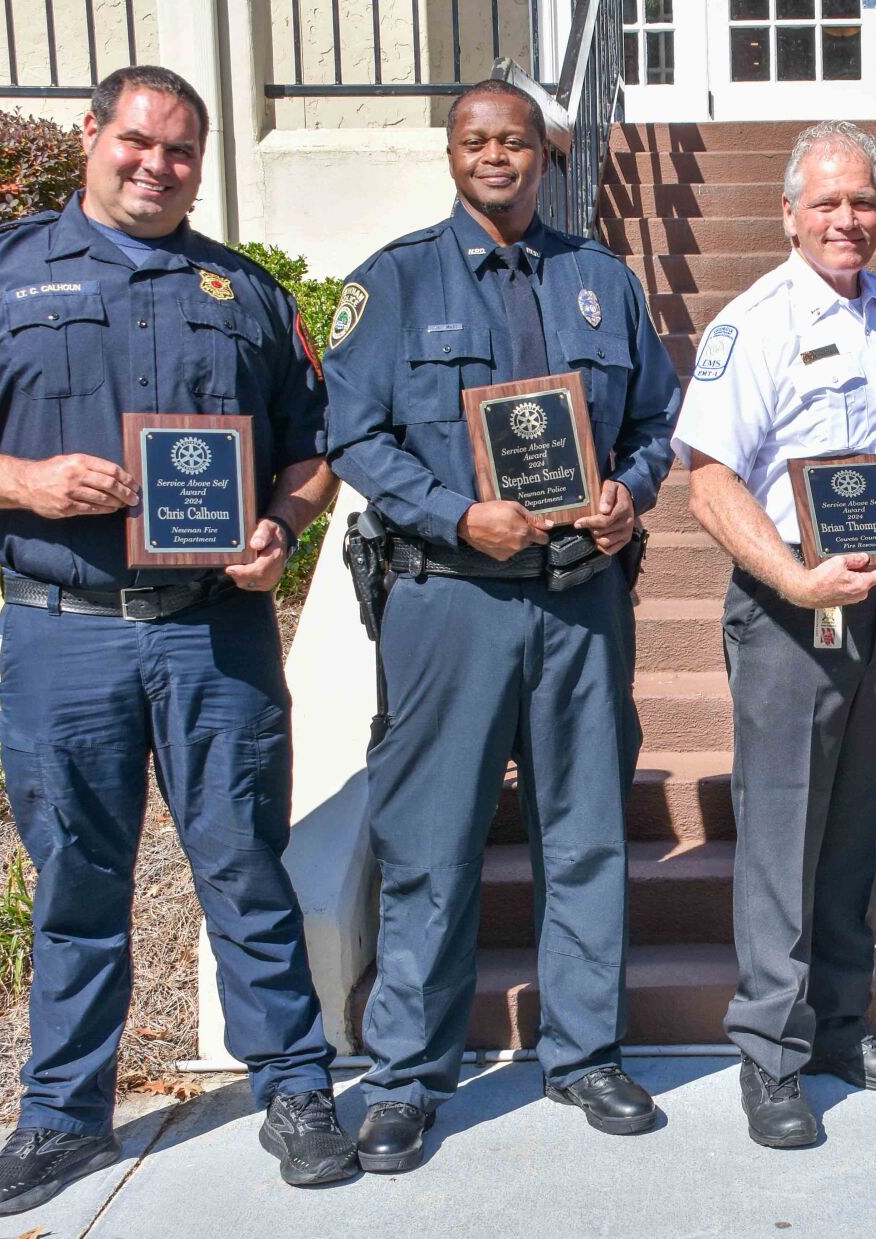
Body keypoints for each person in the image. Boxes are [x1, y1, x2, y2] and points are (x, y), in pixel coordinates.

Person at [0, 66, 354, 1215]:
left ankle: (293, 1086)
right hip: (65, 636)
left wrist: (283, 526)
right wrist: (23, 482)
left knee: (246, 867)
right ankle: (64, 1117)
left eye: (180, 150)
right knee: (77, 881)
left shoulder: (244, 292)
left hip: (215, 638)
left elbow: (313, 446)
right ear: (91, 135)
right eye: (137, 141)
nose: (157, 166)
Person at [324, 78, 680, 1170]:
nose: (496, 157)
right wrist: (452, 513)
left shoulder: (602, 282)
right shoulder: (393, 282)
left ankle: (585, 1054)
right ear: (451, 155)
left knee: (587, 833)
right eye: (476, 140)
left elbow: (659, 420)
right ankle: (406, 1078)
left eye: (515, 141)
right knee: (430, 842)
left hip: (580, 600)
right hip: (451, 599)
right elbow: (354, 436)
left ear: (545, 155)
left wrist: (629, 492)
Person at [673, 120, 876, 1150]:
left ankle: (839, 1024)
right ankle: (771, 1053)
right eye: (825, 202)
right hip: (791, 605)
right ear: (788, 214)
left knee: (859, 822)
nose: (846, 218)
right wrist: (793, 576)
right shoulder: (754, 323)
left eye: (862, 200)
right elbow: (708, 481)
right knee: (782, 830)